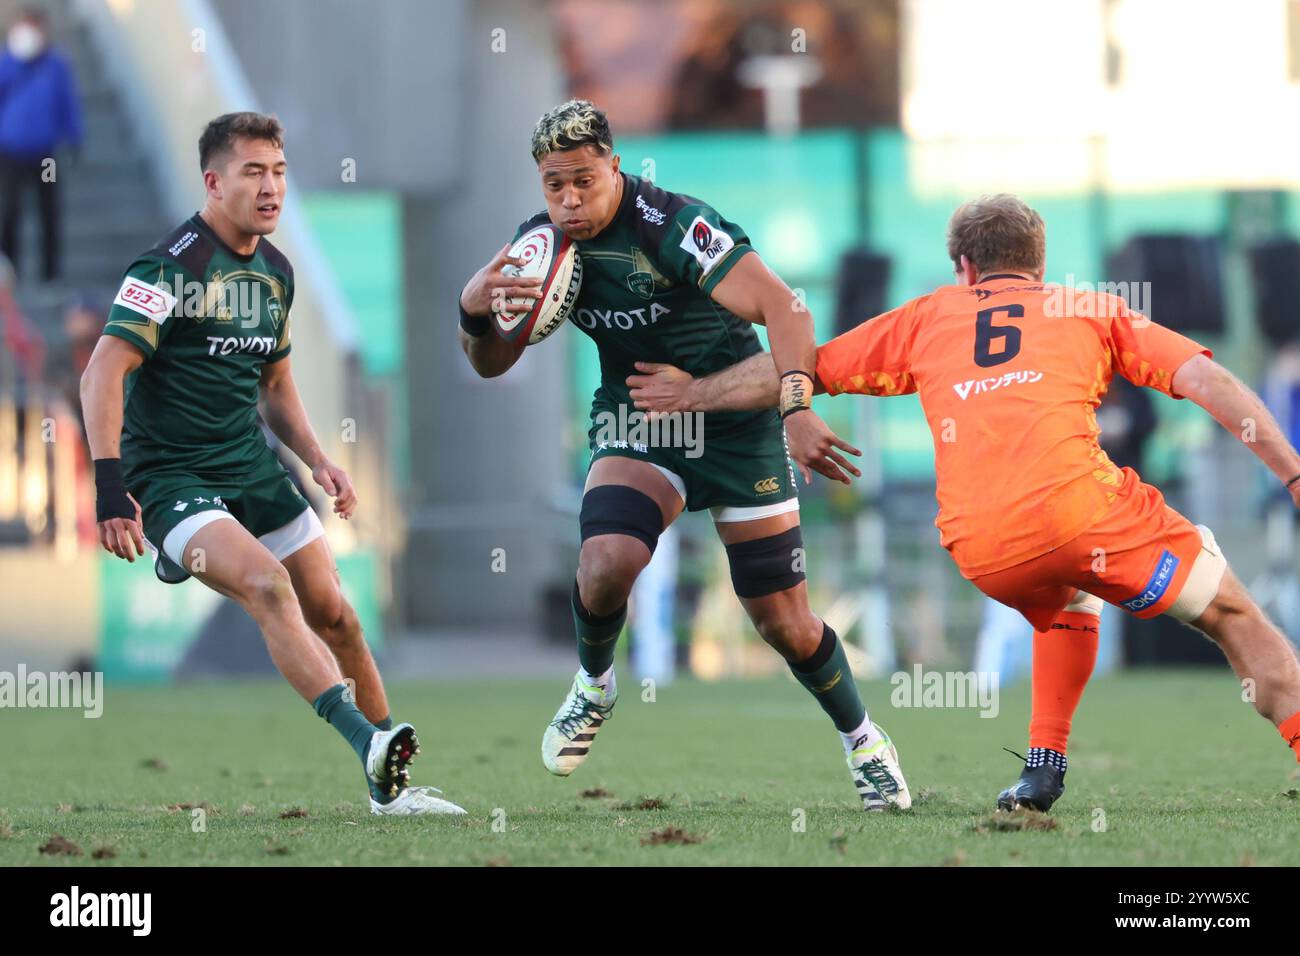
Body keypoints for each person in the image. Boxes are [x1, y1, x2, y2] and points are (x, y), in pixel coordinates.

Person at [628, 193, 1300, 811]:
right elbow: (1208, 382)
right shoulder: (1088, 308)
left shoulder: (927, 317)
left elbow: (801, 364)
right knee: (1234, 613)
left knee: (1071, 595)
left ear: (964, 266)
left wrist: (693, 394)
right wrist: (1293, 477)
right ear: (1039, 265)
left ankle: (1042, 768)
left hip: (981, 549)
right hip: (1082, 515)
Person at [457, 99, 909, 809]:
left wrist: (790, 408)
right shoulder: (539, 250)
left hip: (733, 420)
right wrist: (473, 310)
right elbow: (489, 363)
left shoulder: (674, 226)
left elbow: (788, 312)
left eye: (584, 179)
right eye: (554, 185)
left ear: (614, 165)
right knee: (607, 560)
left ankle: (864, 742)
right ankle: (594, 683)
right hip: (642, 418)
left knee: (783, 623)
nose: (570, 199)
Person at [79, 112, 463, 815]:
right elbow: (102, 372)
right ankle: (367, 744)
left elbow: (276, 385)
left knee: (338, 616)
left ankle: (390, 790)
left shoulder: (277, 272)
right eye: (254, 172)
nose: (271, 187)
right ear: (213, 181)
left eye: (280, 171)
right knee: (268, 587)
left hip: (253, 469)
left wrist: (319, 462)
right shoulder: (169, 268)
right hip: (173, 479)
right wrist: (110, 487)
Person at [0, 8, 81, 281]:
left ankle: (51, 272)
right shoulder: (6, 63)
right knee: (11, 209)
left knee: (49, 209)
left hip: (45, 155)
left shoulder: (56, 65)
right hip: (10, 152)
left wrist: (74, 138)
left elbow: (67, 104)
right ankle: (9, 270)